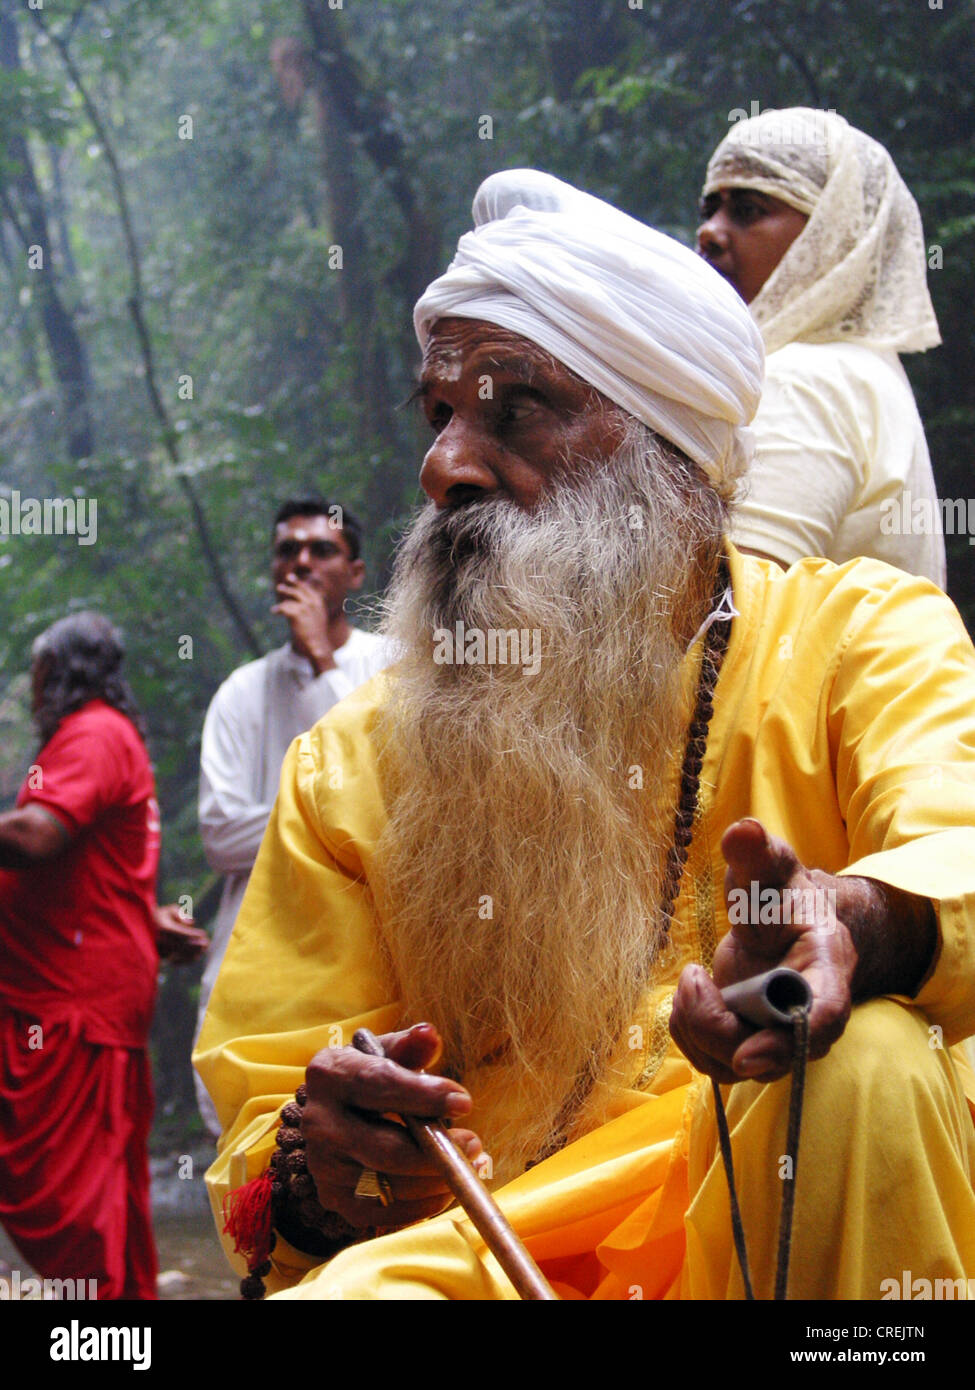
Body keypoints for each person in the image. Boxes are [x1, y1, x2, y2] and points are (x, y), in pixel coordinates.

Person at [196, 170, 975, 1301]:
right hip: (491, 1249)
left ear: (670, 460)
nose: (443, 465)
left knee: (861, 1062)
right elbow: (269, 1117)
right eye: (441, 415)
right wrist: (324, 1160)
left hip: (777, 1222)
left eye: (512, 410)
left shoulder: (860, 639)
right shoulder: (353, 761)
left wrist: (861, 920)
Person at [0, 613, 207, 1300]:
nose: (32, 691)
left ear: (60, 671)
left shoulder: (90, 732)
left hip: (71, 1004)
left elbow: (34, 838)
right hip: (67, 995)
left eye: (35, 672)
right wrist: (139, 917)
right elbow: (90, 869)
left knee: (77, 1203)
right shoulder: (97, 738)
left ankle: (104, 1333)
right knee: (101, 1196)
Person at [195, 498, 390, 1134]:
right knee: (246, 1132)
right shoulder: (240, 691)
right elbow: (222, 839)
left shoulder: (394, 664)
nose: (301, 562)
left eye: (321, 549)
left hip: (369, 942)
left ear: (355, 572)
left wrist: (323, 668)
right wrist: (326, 809)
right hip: (256, 940)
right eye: (287, 550)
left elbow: (390, 803)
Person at [697, 107, 946, 586]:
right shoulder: (866, 371)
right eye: (709, 209)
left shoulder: (806, 380)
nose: (709, 232)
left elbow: (732, 615)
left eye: (749, 210)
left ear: (831, 234)